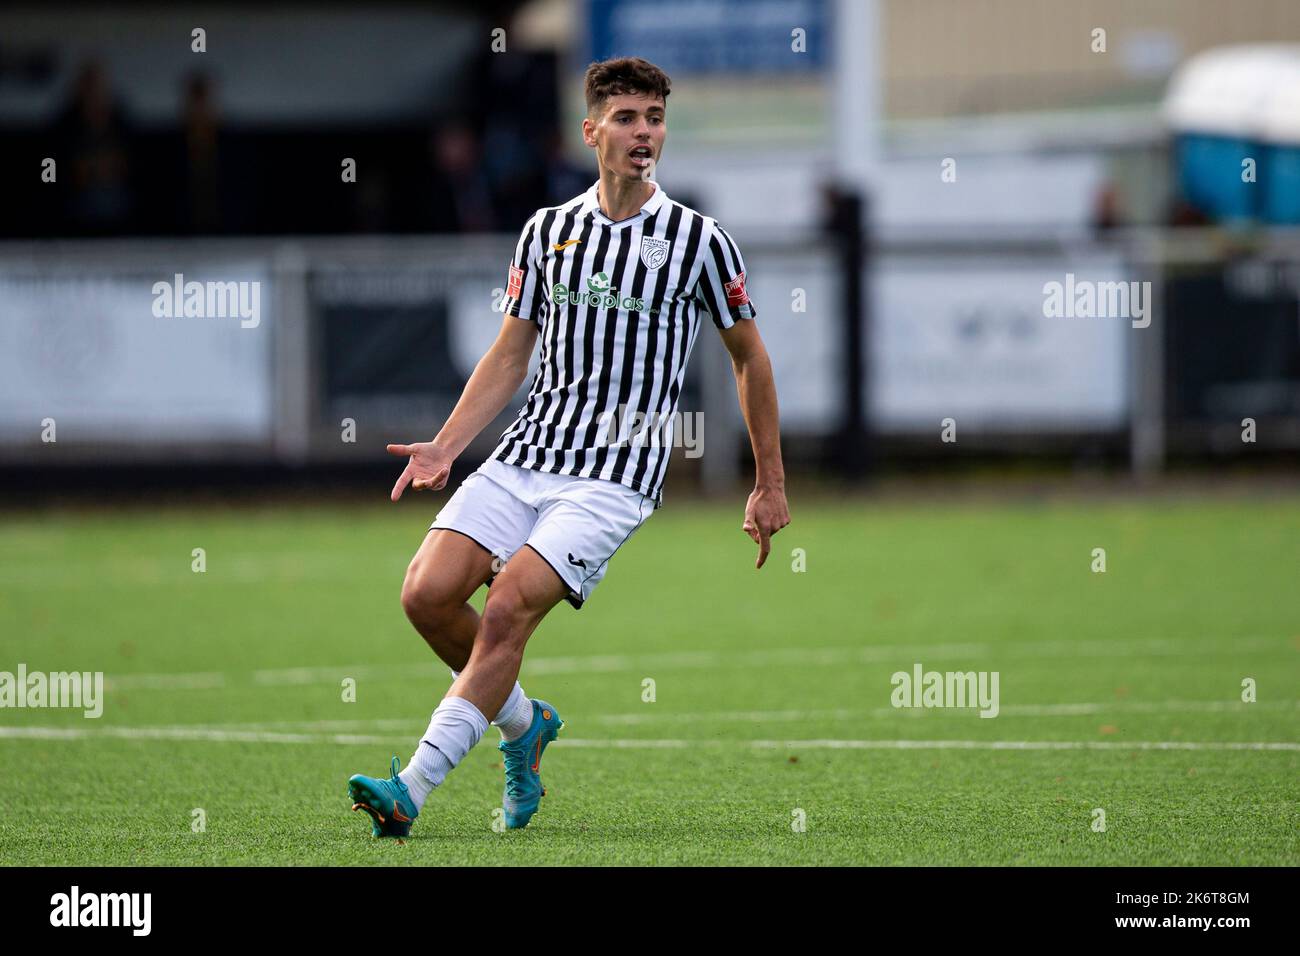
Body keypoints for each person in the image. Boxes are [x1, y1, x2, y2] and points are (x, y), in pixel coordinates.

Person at [348, 56, 790, 837]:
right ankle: (525, 725)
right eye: (626, 118)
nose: (643, 133)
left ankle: (410, 787)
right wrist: (448, 447)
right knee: (425, 595)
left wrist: (769, 482)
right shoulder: (548, 231)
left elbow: (750, 358)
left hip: (614, 476)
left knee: (509, 606)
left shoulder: (698, 240)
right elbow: (511, 352)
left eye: (653, 118)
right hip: (527, 454)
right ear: (591, 132)